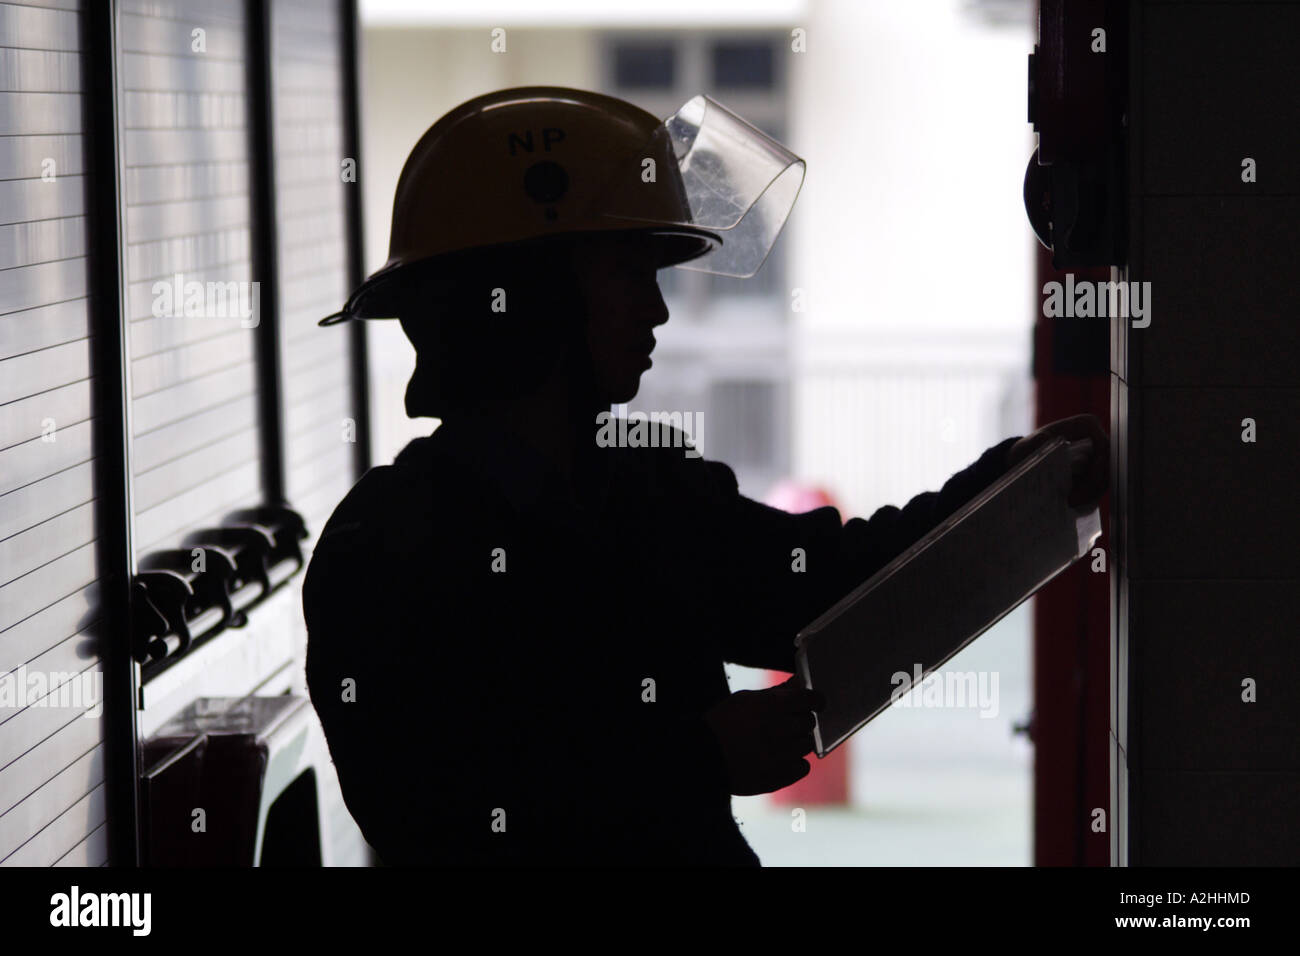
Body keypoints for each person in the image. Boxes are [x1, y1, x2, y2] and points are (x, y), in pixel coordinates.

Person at [303, 87, 1107, 866]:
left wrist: (1017, 485)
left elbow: (830, 584)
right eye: (629, 274)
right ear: (527, 298)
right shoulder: (386, 545)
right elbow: (420, 807)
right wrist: (694, 758)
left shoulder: (639, 492)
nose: (656, 312)